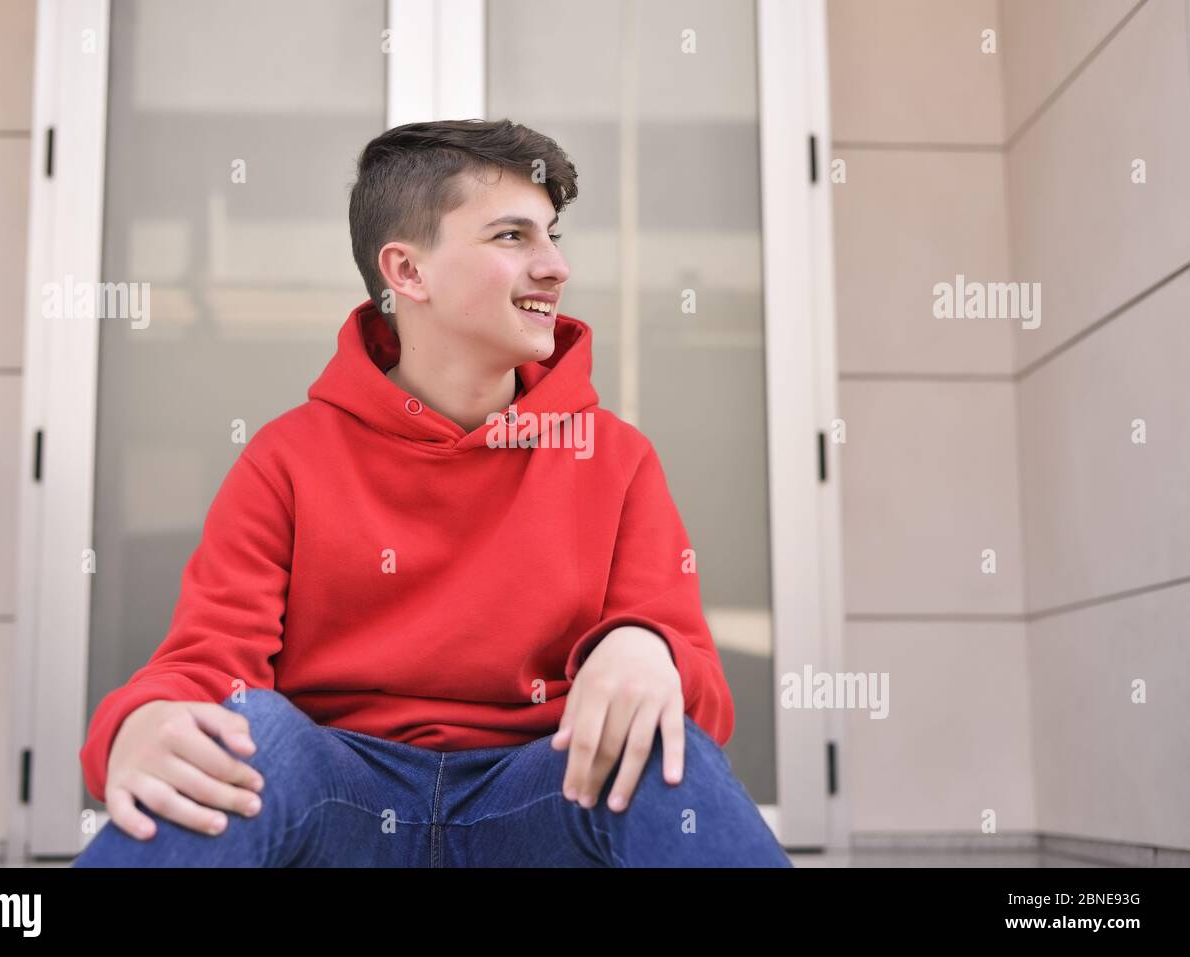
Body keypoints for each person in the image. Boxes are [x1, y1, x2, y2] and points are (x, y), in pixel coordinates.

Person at [73, 118, 791, 868]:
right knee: (240, 732)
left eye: (552, 235)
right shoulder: (285, 459)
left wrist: (647, 649)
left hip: (543, 799)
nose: (555, 267)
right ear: (408, 273)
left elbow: (703, 707)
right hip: (341, 802)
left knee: (650, 748)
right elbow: (208, 663)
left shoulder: (616, 458)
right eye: (513, 237)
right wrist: (139, 723)